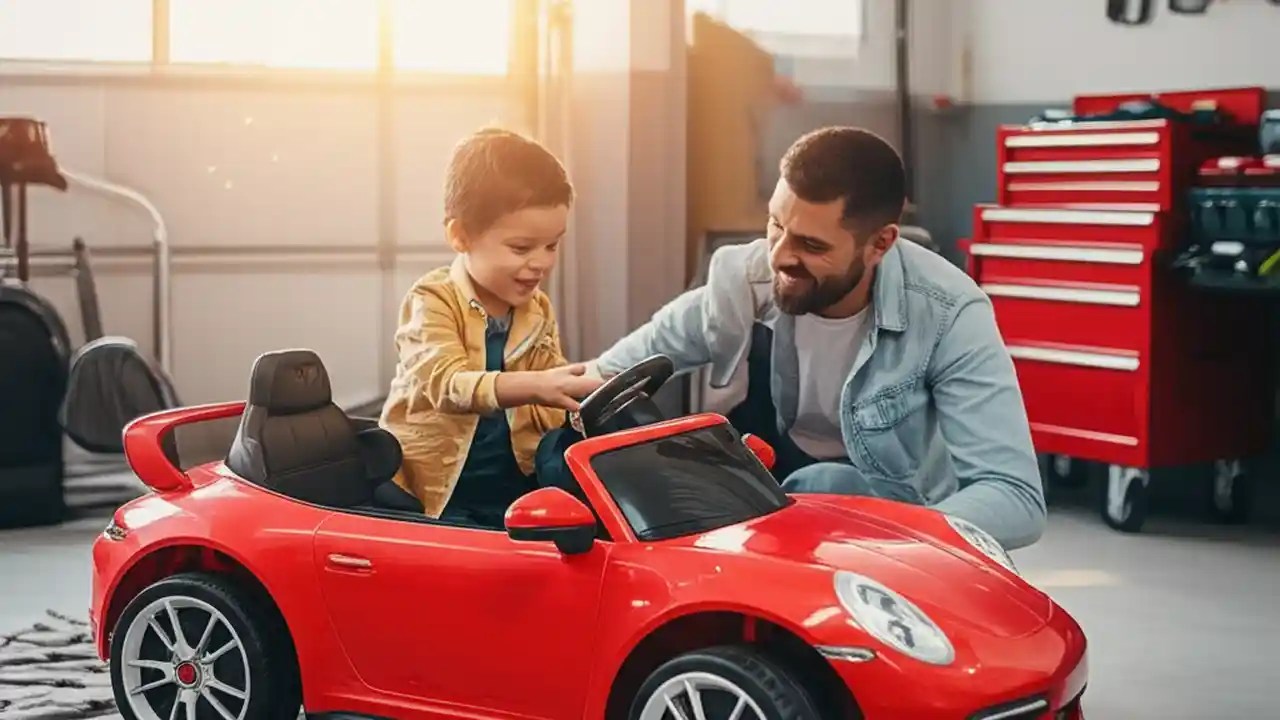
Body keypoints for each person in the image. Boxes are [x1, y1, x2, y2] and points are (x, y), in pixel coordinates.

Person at [588, 126, 1046, 550]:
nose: (780, 257)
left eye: (811, 245)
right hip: (775, 489)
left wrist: (898, 545)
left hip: (896, 514)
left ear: (880, 245)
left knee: (828, 482)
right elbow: (608, 374)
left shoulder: (949, 313)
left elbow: (1014, 496)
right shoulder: (747, 279)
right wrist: (531, 389)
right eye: (775, 225)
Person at [379, 128, 602, 526]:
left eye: (552, 246)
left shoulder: (536, 309)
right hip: (439, 493)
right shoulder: (433, 300)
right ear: (460, 236)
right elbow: (448, 384)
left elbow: (551, 385)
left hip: (512, 485)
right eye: (521, 248)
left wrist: (591, 388)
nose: (542, 263)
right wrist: (538, 385)